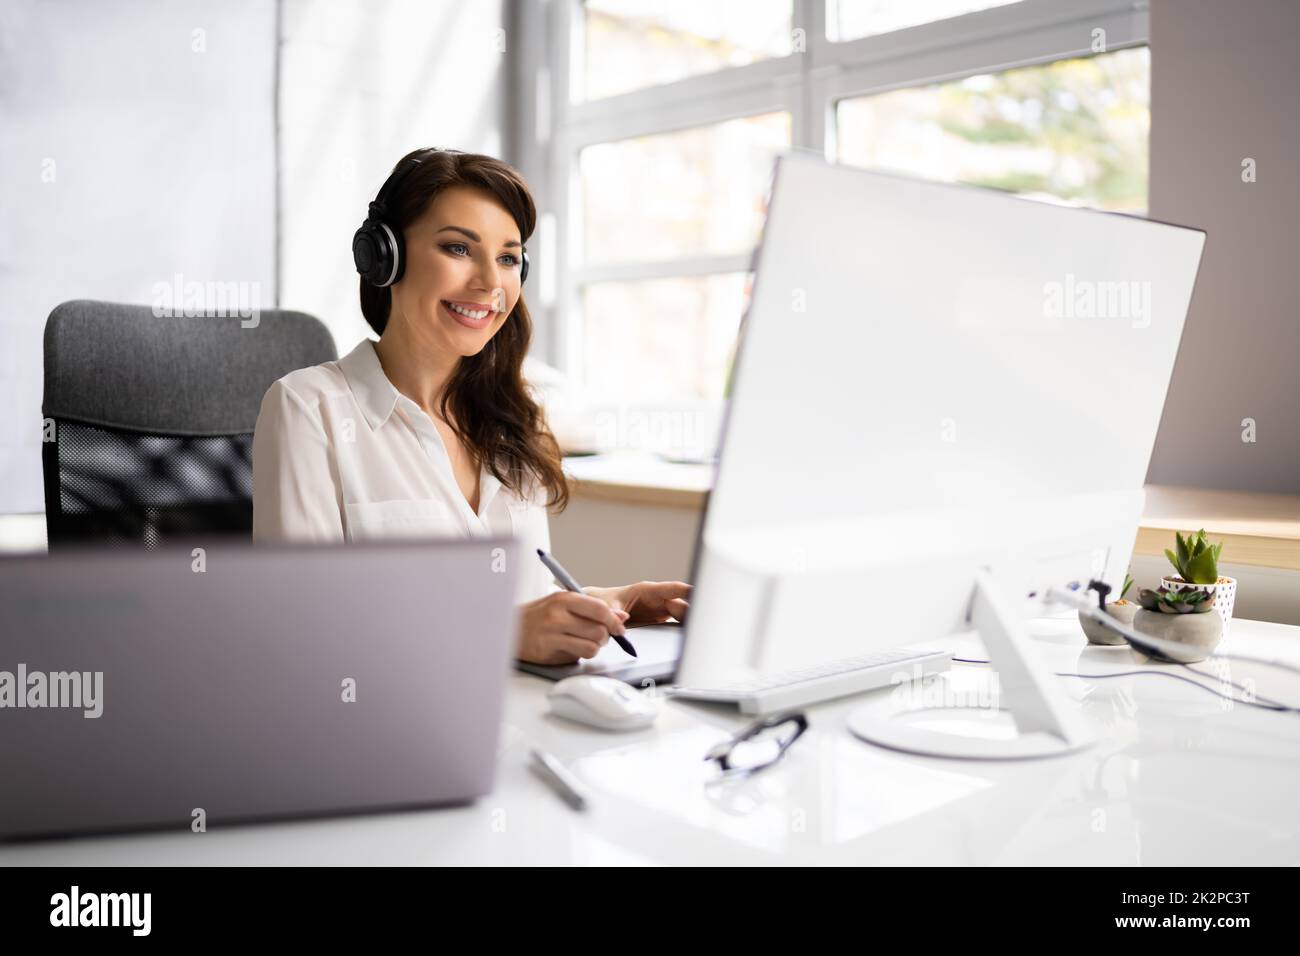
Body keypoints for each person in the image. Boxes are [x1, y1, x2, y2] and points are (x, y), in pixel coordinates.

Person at [252, 148, 690, 665]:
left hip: (523, 714)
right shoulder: (309, 409)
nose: (490, 283)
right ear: (384, 255)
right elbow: (301, 633)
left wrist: (598, 606)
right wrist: (501, 633)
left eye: (507, 258)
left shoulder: (512, 418)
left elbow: (513, 607)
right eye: (459, 248)